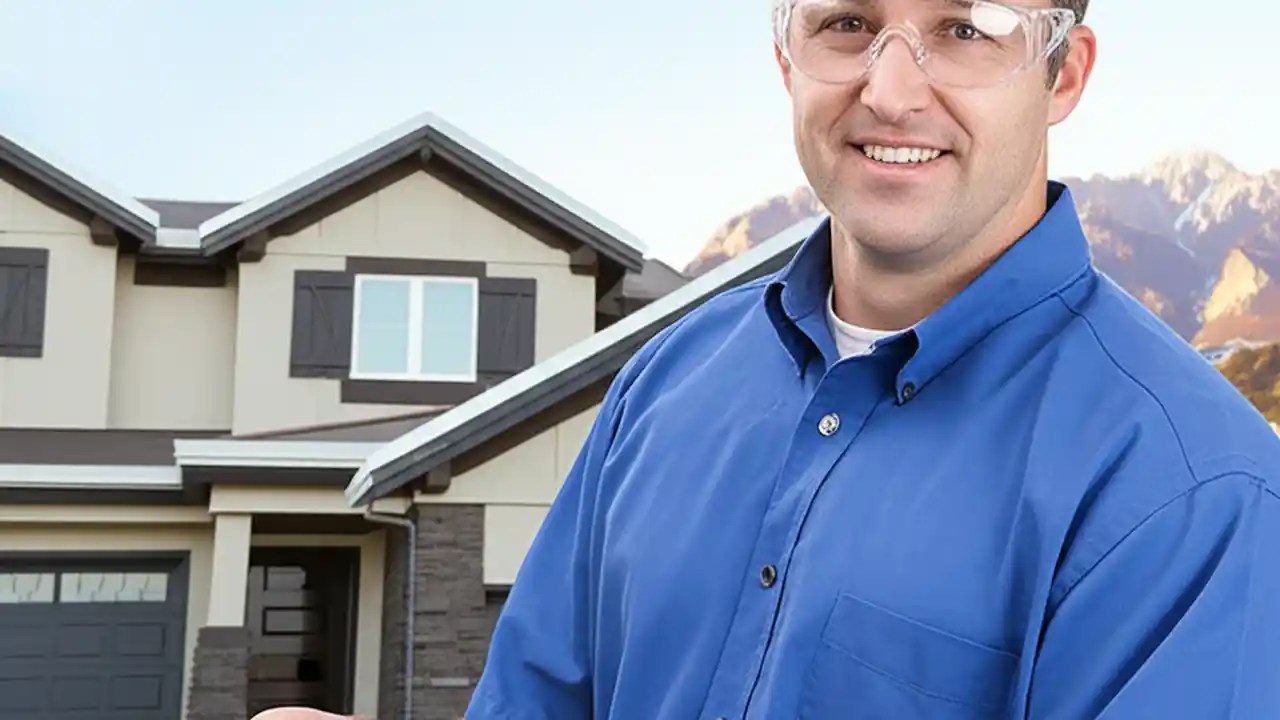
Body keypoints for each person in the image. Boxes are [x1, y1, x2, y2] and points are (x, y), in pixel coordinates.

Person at [263, 0, 1280, 718]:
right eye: (844, 22)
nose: (889, 91)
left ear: (1063, 73)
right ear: (785, 55)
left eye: (962, 29)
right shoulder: (658, 393)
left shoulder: (1195, 489)